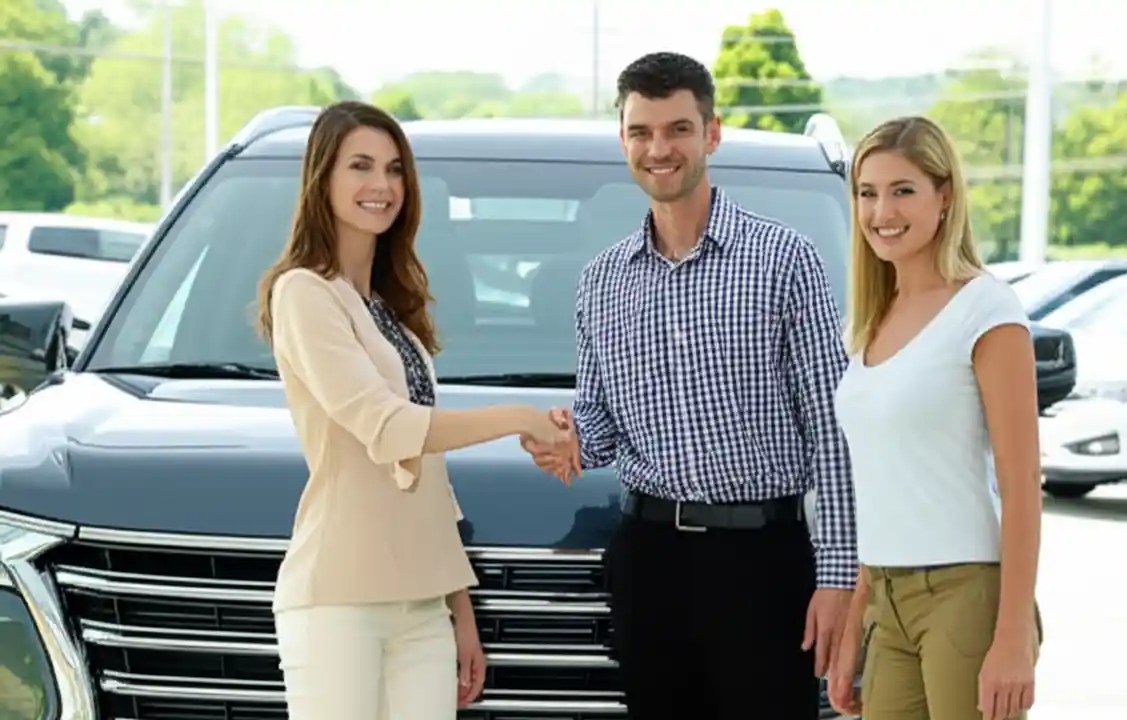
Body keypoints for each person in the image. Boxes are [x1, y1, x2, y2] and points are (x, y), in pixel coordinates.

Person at [522, 52, 857, 719]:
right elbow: (602, 419)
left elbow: (834, 426)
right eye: (641, 132)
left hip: (764, 562)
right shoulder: (602, 282)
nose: (659, 148)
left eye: (677, 128)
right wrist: (569, 440)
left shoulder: (785, 261)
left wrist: (840, 575)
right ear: (623, 141)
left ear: (712, 132)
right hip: (650, 561)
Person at [254, 100, 572, 720]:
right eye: (361, 166)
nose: (382, 185)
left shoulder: (390, 313)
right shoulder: (303, 294)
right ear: (322, 178)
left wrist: (459, 610)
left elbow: (432, 482)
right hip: (339, 599)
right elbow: (390, 429)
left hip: (421, 606)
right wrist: (521, 419)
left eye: (395, 169)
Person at [825, 116, 1043, 720]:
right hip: (885, 599)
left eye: (902, 190)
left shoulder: (986, 309)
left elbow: (1024, 484)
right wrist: (855, 627)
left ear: (944, 197)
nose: (881, 211)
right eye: (867, 193)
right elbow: (880, 484)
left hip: (965, 594)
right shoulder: (873, 322)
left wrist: (1012, 637)